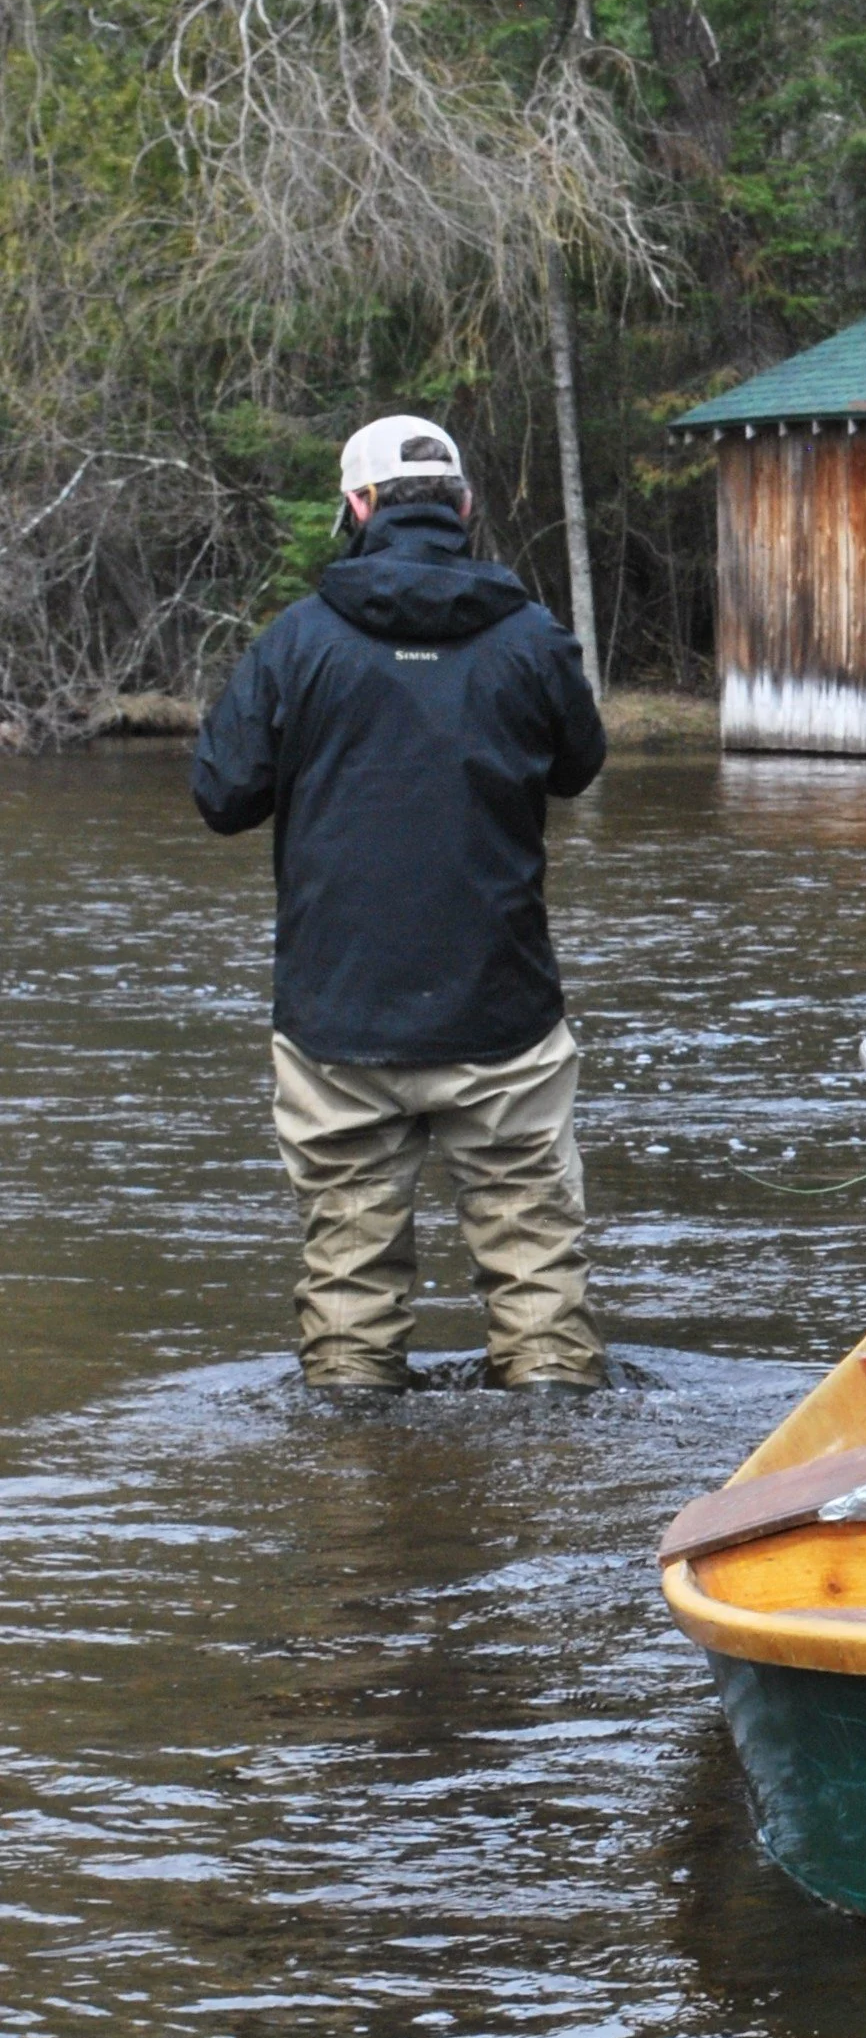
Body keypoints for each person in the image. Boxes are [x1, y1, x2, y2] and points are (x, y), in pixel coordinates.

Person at [192, 414, 609, 1394]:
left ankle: (356, 1505)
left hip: (338, 1020)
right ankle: (559, 1505)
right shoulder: (532, 639)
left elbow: (221, 797)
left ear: (358, 507)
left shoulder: (295, 643)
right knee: (539, 1275)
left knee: (346, 1289)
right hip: (502, 1017)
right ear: (462, 508)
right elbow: (579, 769)